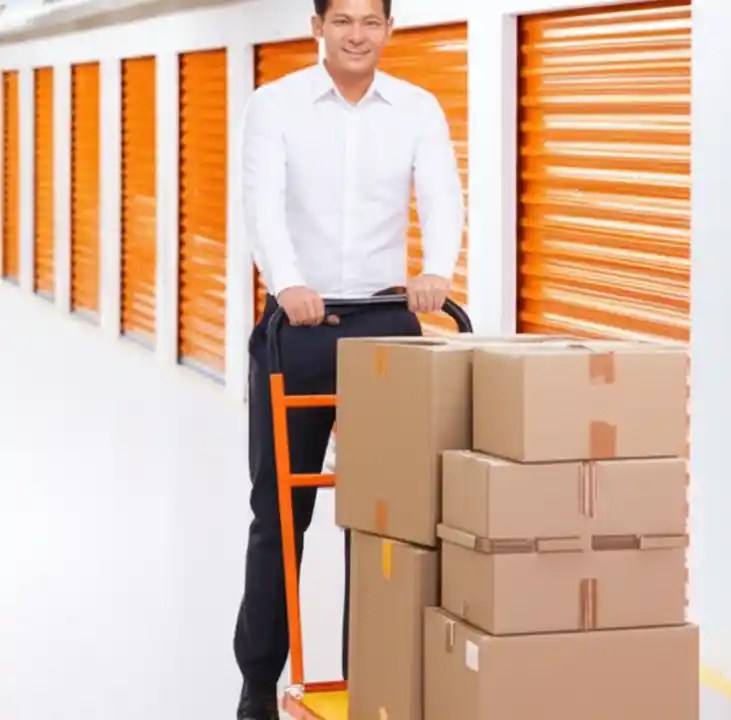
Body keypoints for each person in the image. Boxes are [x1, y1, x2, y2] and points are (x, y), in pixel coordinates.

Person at [232, 0, 464, 717]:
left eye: (371, 21)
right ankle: (257, 683)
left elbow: (443, 194)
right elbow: (262, 204)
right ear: (318, 27)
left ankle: (372, 677)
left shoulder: (418, 109)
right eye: (343, 21)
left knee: (382, 517)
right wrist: (287, 282)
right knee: (281, 515)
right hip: (297, 329)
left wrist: (438, 271)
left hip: (385, 330)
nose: (357, 35)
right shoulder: (274, 106)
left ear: (390, 29)